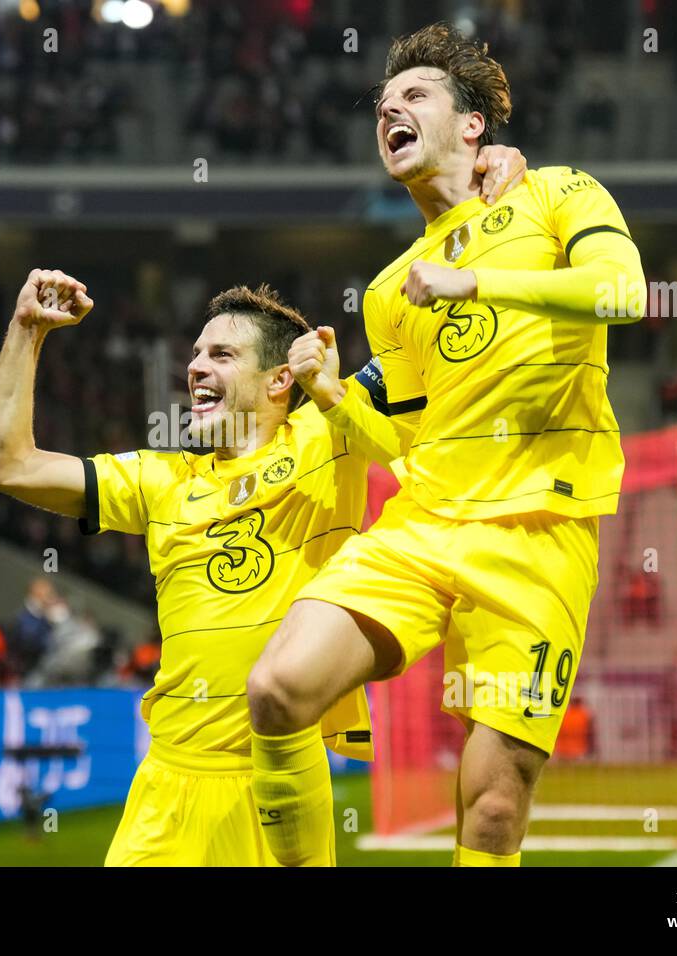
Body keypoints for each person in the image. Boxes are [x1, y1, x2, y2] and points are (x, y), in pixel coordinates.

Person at [0, 198, 528, 864]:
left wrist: (488, 203)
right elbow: (5, 463)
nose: (197, 367)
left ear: (280, 380)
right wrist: (27, 328)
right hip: (166, 789)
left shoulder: (328, 432)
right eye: (197, 353)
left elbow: (440, 346)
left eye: (223, 355)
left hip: (275, 789)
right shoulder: (159, 479)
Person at [245, 22, 645, 868]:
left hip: (538, 532)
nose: (390, 109)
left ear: (474, 127)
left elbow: (625, 292)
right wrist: (330, 401)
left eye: (415, 95)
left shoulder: (558, 193)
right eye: (383, 105)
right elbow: (404, 443)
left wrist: (478, 278)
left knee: (494, 808)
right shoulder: (391, 290)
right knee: (278, 691)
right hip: (421, 527)